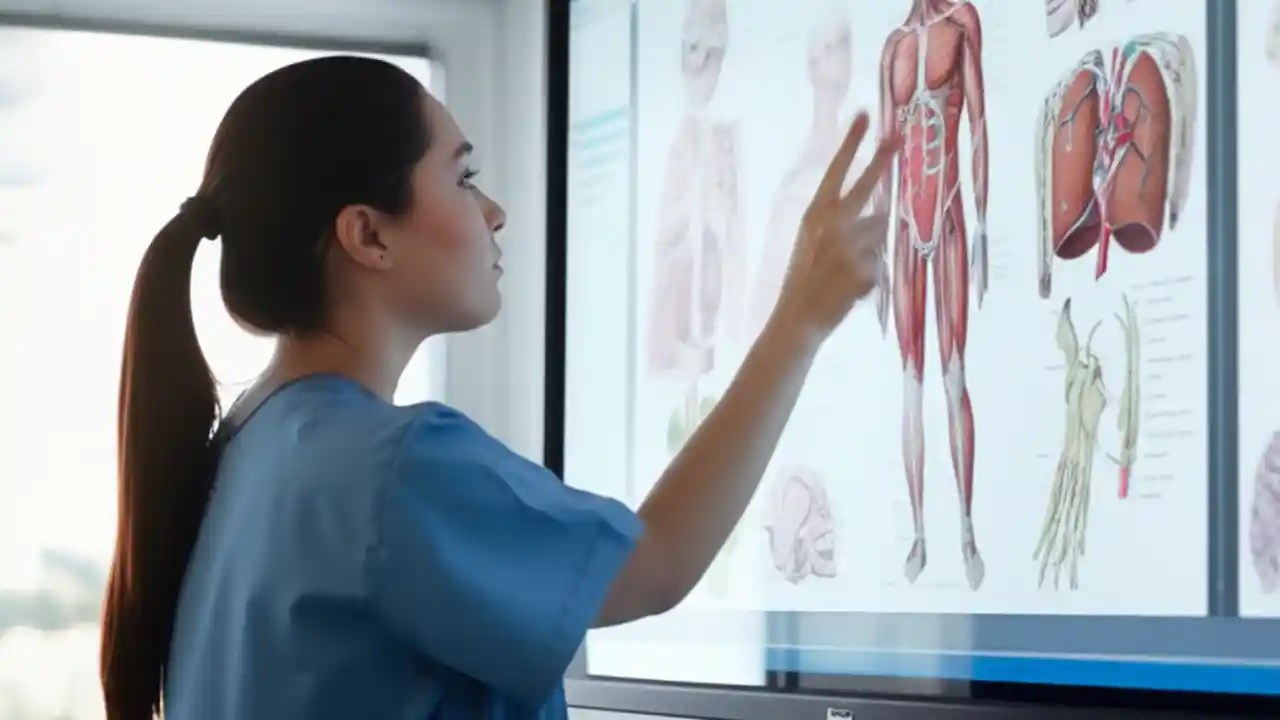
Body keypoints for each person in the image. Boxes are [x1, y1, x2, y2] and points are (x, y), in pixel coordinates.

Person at [99, 56, 896, 720]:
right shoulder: (391, 467)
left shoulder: (251, 447)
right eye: (464, 175)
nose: (496, 212)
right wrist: (800, 317)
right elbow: (654, 568)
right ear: (369, 234)